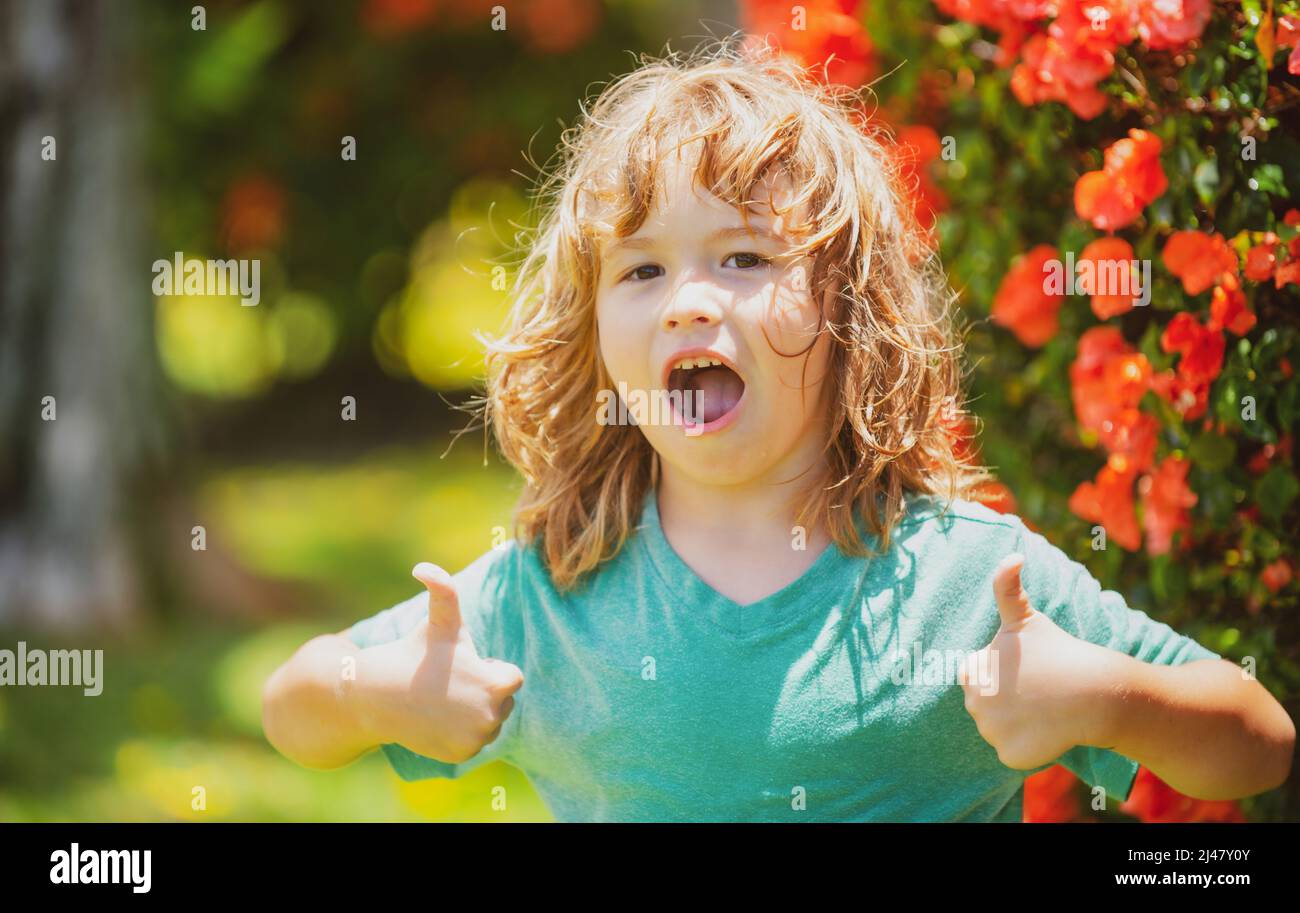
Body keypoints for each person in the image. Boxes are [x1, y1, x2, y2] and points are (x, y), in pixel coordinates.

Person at [261, 40, 1295, 822]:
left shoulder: (966, 581)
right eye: (642, 270)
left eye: (745, 259)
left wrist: (1110, 697)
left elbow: (1256, 740)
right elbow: (289, 708)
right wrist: (378, 693)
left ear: (852, 313)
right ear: (592, 335)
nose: (688, 302)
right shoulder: (551, 591)